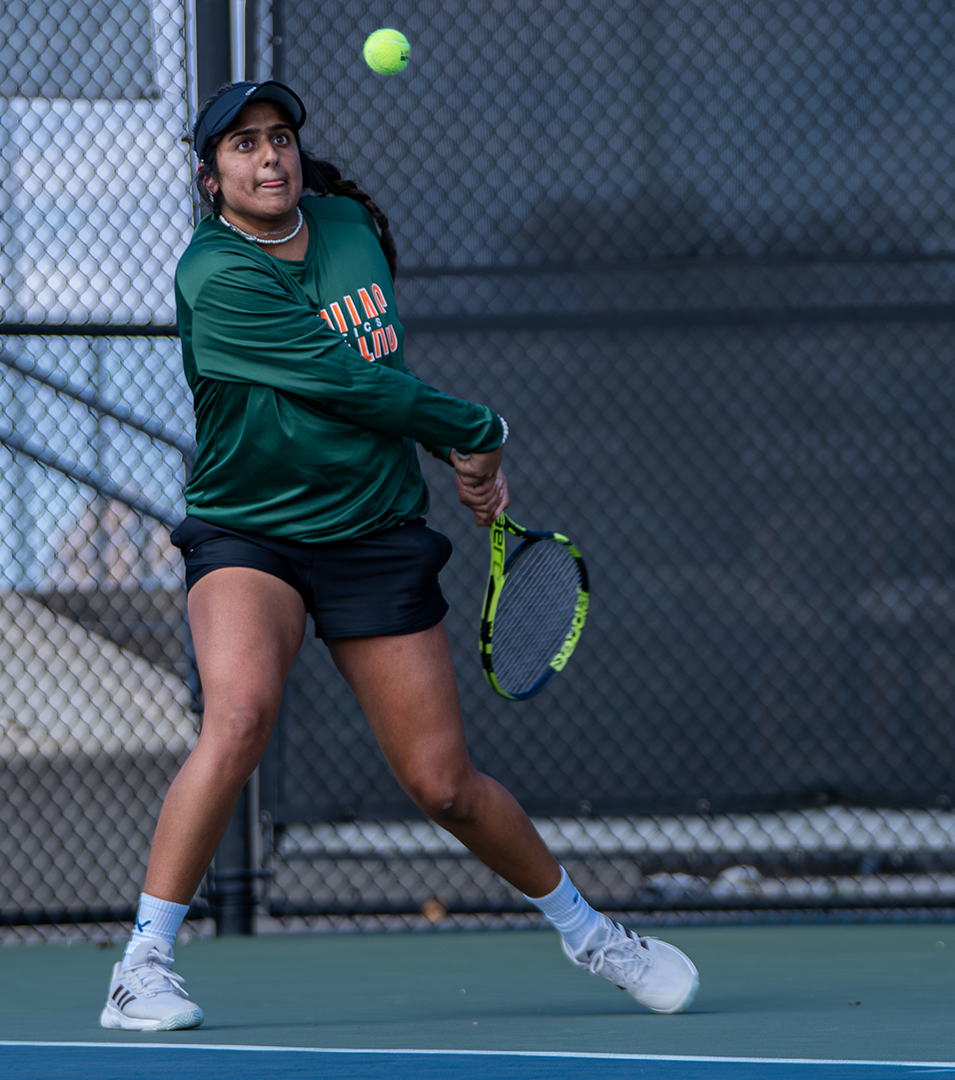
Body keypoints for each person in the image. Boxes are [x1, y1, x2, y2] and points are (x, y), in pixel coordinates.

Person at [97, 82, 700, 1033]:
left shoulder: (348, 228)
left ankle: (592, 935)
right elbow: (338, 382)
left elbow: (384, 371)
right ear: (210, 174)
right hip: (252, 532)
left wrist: (457, 462)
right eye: (245, 145)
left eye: (281, 139)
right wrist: (478, 430)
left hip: (373, 530)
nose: (270, 158)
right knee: (241, 712)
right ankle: (143, 964)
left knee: (444, 784)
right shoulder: (214, 273)